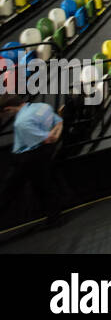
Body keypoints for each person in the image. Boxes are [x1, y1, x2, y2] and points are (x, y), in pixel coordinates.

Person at [0, 94, 66, 227]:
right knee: (44, 186)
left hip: (26, 158)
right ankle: (55, 219)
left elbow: (48, 138)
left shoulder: (22, 122)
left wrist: (52, 138)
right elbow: (59, 123)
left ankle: (54, 219)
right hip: (42, 153)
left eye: (3, 114)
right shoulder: (42, 107)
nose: (5, 117)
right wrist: (54, 137)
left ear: (8, 109)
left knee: (6, 193)